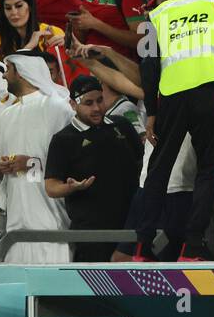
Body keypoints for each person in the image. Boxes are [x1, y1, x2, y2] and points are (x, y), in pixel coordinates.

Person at [136, 0, 214, 261]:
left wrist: (152, 113)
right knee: (208, 170)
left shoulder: (154, 16)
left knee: (159, 169)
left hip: (172, 96)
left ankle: (142, 248)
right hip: (211, 95)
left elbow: (147, 68)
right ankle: (192, 247)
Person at [43, 73, 142, 262]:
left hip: (131, 229)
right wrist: (71, 188)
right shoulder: (64, 140)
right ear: (73, 105)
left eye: (100, 100)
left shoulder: (122, 125)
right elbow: (51, 186)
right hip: (92, 235)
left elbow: (140, 163)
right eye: (88, 103)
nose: (97, 108)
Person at [0, 48, 73, 262]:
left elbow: (71, 160)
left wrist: (31, 164)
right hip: (15, 225)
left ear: (22, 71)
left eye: (8, 69)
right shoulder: (6, 116)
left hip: (52, 220)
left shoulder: (56, 107)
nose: (4, 75)